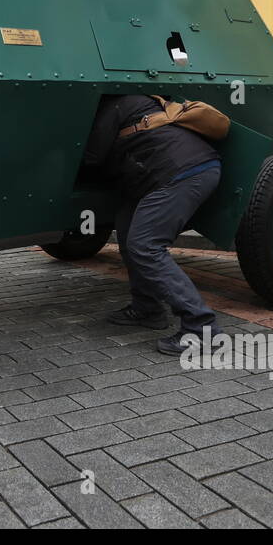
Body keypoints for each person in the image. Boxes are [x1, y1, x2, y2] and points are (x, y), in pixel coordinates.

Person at [82, 94, 222, 355]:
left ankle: (202, 329)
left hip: (181, 172)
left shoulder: (109, 107)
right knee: (127, 230)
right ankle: (147, 308)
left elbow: (92, 155)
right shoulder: (140, 100)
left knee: (145, 245)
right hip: (170, 172)